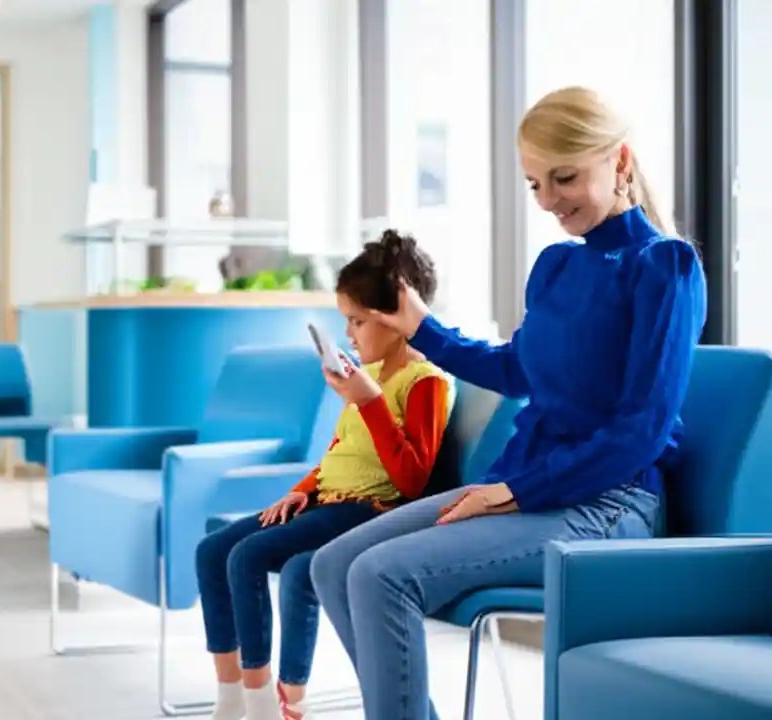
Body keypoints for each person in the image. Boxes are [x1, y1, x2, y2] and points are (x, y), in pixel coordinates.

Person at [308, 85, 707, 720]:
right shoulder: (556, 266)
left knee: (380, 575)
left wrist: (512, 494)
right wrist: (421, 327)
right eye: (535, 184)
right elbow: (516, 370)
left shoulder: (666, 267)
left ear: (620, 162)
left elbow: (641, 432)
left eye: (564, 178)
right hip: (529, 489)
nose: (547, 200)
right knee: (333, 565)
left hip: (608, 502)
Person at [195, 230, 455, 720]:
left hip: (370, 509)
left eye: (357, 321)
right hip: (329, 499)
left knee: (248, 557)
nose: (349, 335)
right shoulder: (368, 376)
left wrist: (371, 403)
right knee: (212, 551)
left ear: (397, 318)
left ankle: (262, 706)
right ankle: (231, 700)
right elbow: (343, 454)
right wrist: (300, 491)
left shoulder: (427, 382)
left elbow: (412, 480)